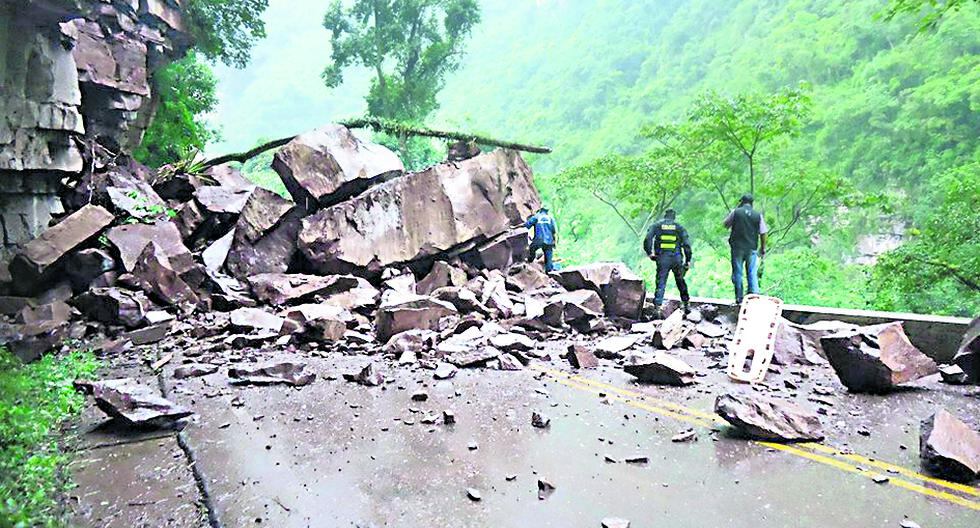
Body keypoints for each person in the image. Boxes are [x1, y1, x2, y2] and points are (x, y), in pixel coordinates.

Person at [643, 208, 692, 316]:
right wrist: (688, 260)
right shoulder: (679, 228)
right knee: (680, 281)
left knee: (661, 283)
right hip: (676, 259)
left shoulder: (657, 226)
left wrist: (650, 253)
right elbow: (686, 245)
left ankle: (657, 309)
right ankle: (686, 304)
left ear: (665, 216)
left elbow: (648, 239)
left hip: (662, 258)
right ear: (674, 217)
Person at [724, 193, 768, 304]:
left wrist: (736, 213)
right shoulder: (758, 215)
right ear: (752, 203)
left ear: (742, 202)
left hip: (737, 248)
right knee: (752, 272)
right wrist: (763, 248)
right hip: (751, 248)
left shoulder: (736, 212)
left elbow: (725, 224)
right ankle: (753, 298)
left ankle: (739, 299)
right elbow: (763, 233)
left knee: (738, 273)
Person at [523, 206, 558, 272]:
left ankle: (530, 260)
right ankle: (549, 272)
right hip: (549, 240)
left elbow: (527, 225)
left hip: (538, 239)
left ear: (540, 210)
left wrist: (517, 227)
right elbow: (554, 231)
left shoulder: (537, 216)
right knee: (548, 257)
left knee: (532, 248)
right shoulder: (550, 218)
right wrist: (554, 242)